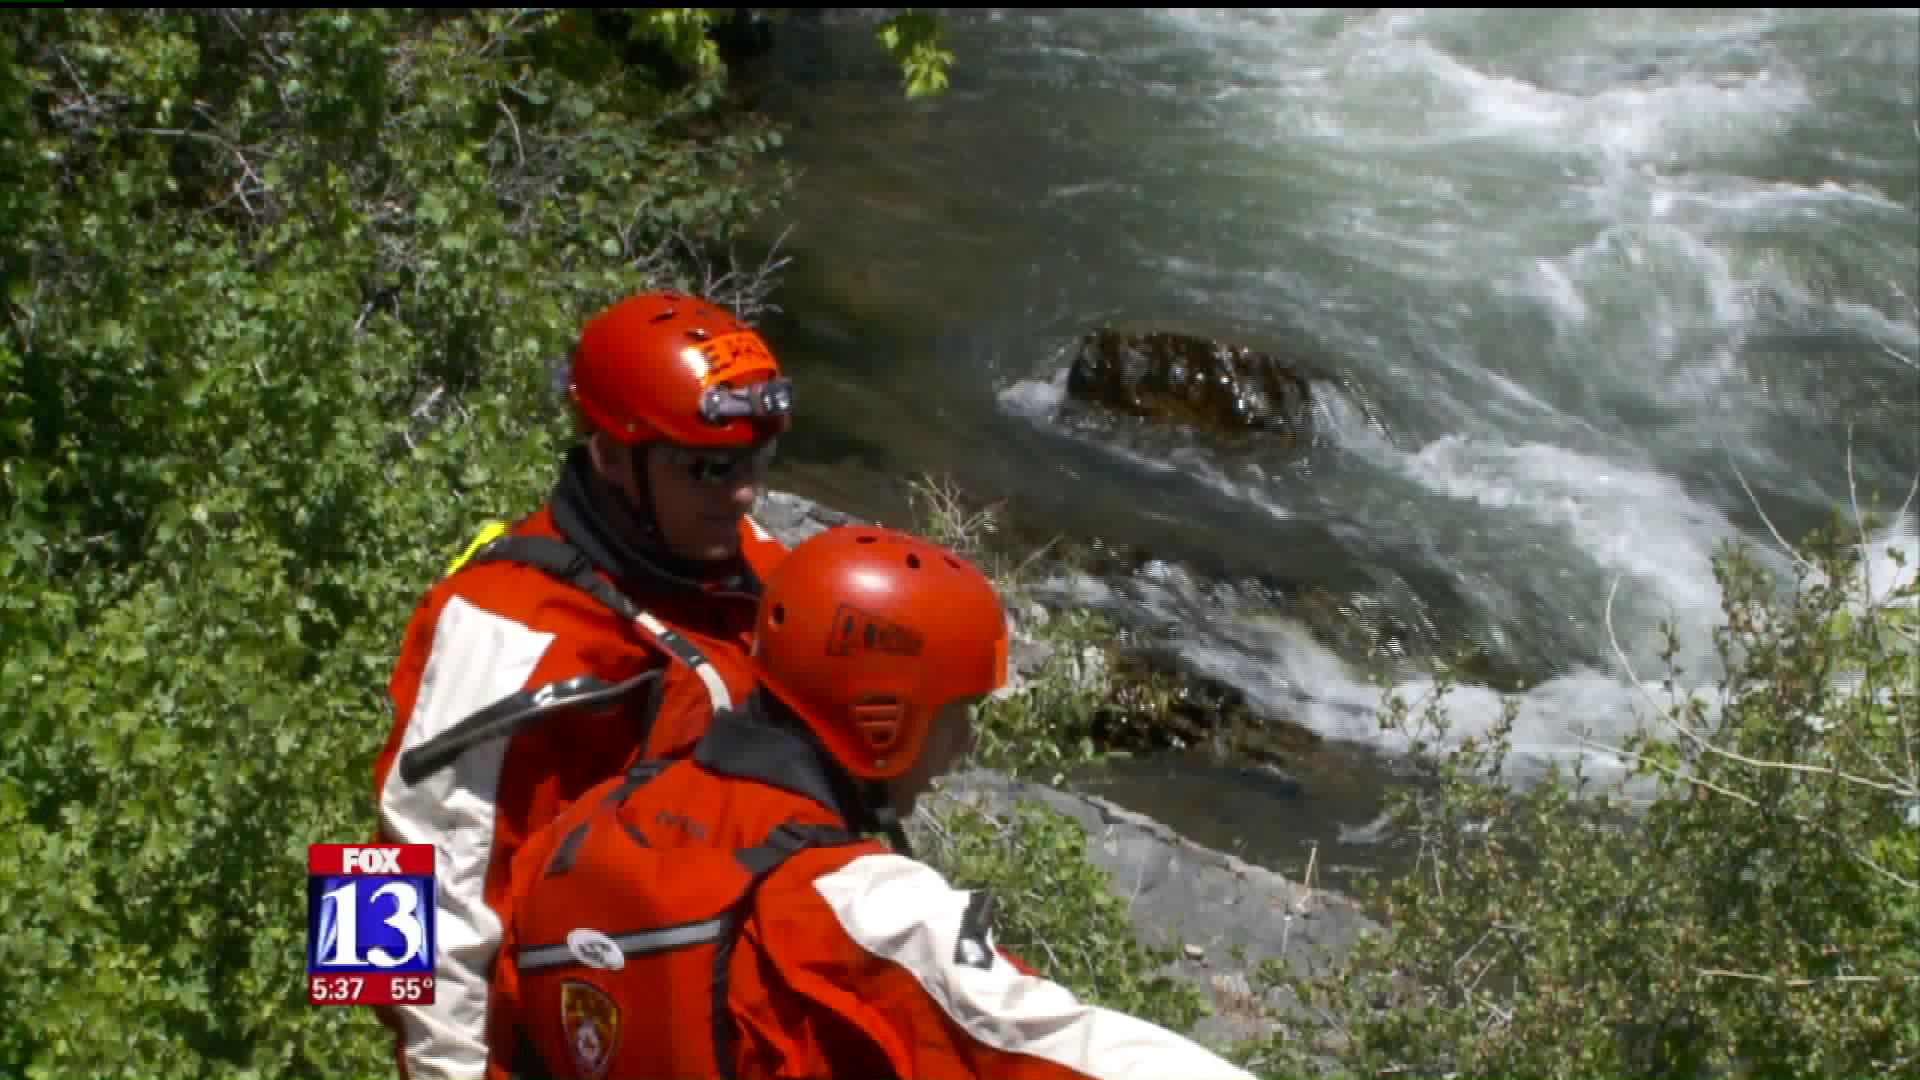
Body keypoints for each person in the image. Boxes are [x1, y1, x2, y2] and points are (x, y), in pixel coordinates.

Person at [483, 524, 1259, 1080]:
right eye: (709, 467)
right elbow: (1044, 1042)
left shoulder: (582, 820)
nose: (742, 489)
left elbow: (486, 998)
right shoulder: (852, 907)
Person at [369, 289, 796, 1080]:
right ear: (610, 454)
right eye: (707, 467)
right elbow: (389, 882)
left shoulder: (748, 564)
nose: (742, 494)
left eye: (754, 462)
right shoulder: (499, 631)